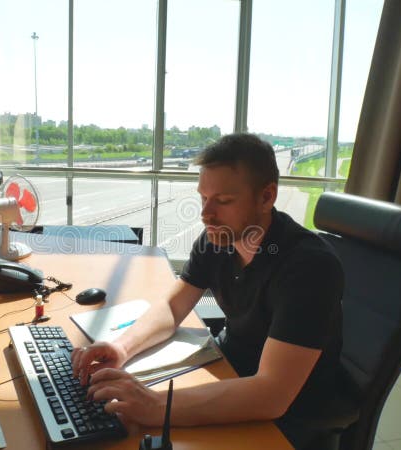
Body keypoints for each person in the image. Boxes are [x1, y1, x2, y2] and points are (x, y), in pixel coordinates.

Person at [71, 133, 344, 449]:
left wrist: (155, 406)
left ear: (267, 197)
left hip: (289, 413)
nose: (206, 214)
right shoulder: (219, 238)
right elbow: (173, 308)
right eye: (203, 198)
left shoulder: (309, 266)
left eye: (224, 201)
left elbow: (273, 395)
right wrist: (121, 347)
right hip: (228, 368)